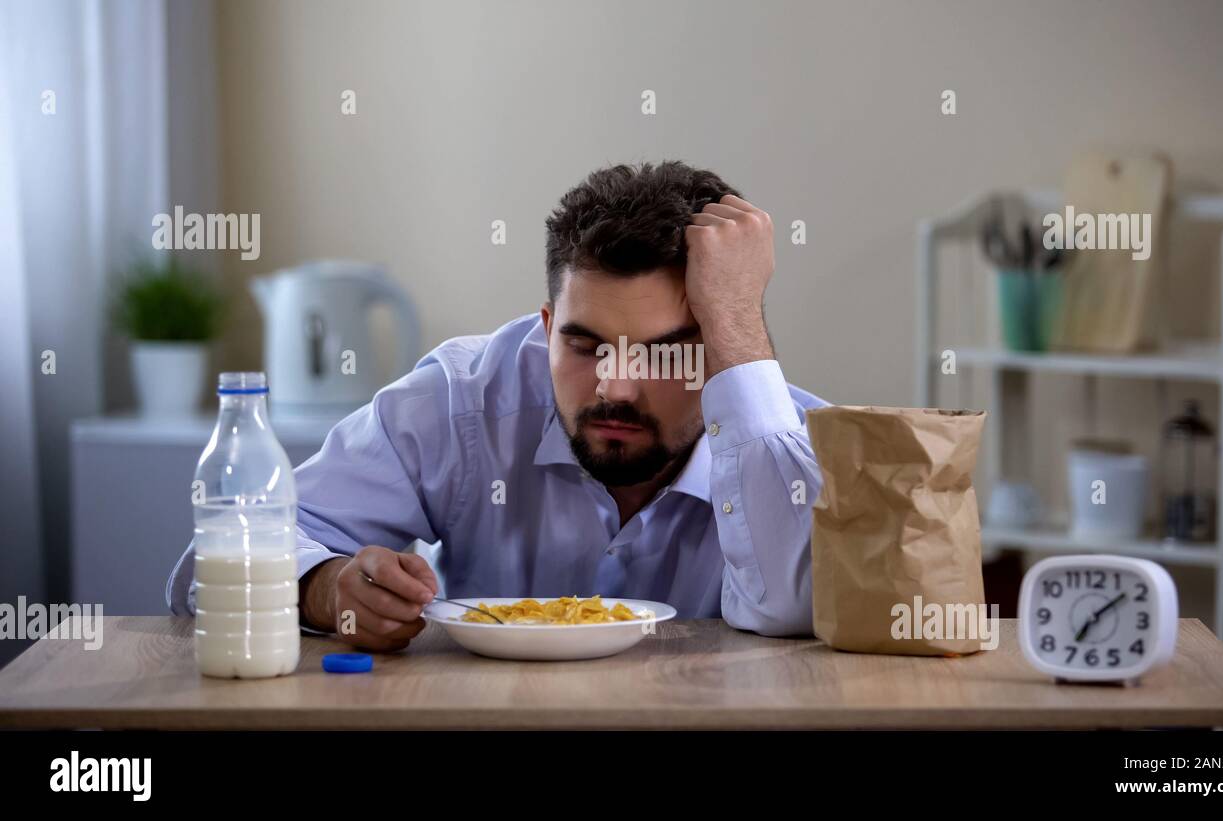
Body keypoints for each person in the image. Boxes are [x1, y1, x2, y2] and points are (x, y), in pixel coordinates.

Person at [167, 160, 827, 650]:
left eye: (662, 354)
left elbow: (795, 607)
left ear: (719, 348)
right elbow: (214, 560)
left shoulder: (794, 438)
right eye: (585, 345)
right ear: (545, 330)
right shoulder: (465, 398)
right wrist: (325, 584)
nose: (617, 388)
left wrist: (738, 327)